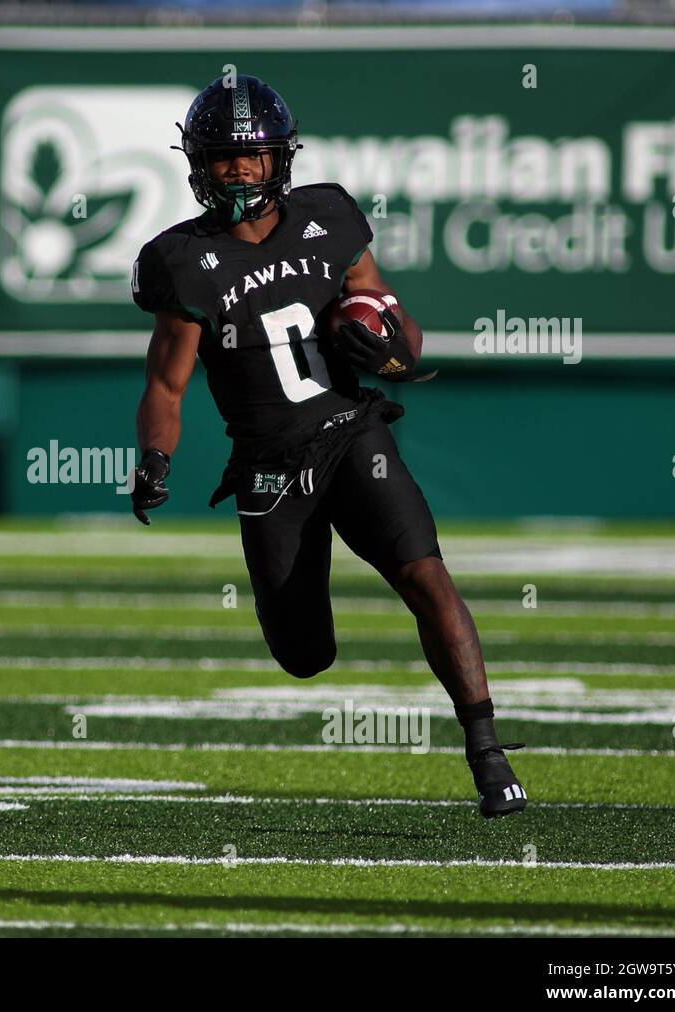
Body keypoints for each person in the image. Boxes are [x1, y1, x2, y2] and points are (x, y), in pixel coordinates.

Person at [128, 77, 526, 817]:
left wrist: (388, 348)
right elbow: (167, 384)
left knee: (426, 573)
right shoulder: (183, 259)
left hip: (352, 434)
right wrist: (156, 458)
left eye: (254, 157)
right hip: (270, 468)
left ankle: (488, 752)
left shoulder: (330, 216)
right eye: (224, 159)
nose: (241, 171)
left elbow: (404, 334)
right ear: (198, 164)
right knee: (304, 655)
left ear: (282, 158)